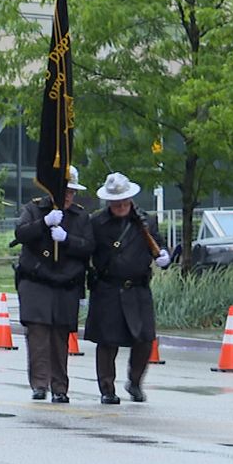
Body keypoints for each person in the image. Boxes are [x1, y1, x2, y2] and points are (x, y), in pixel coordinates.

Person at [86, 172, 170, 404]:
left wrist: (164, 255)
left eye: (124, 201)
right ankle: (107, 389)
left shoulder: (146, 221)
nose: (121, 206)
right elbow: (86, 250)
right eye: (116, 202)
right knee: (107, 342)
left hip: (138, 288)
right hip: (108, 288)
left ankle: (135, 381)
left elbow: (158, 244)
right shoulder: (96, 223)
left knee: (145, 339)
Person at [13, 166, 94, 402]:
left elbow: (88, 246)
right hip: (36, 281)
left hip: (65, 283)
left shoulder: (81, 217)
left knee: (60, 337)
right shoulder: (34, 209)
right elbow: (21, 234)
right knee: (38, 335)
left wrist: (68, 240)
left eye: (71, 192)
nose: (68, 197)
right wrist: (44, 223)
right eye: (64, 191)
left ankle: (60, 387)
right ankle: (39, 384)